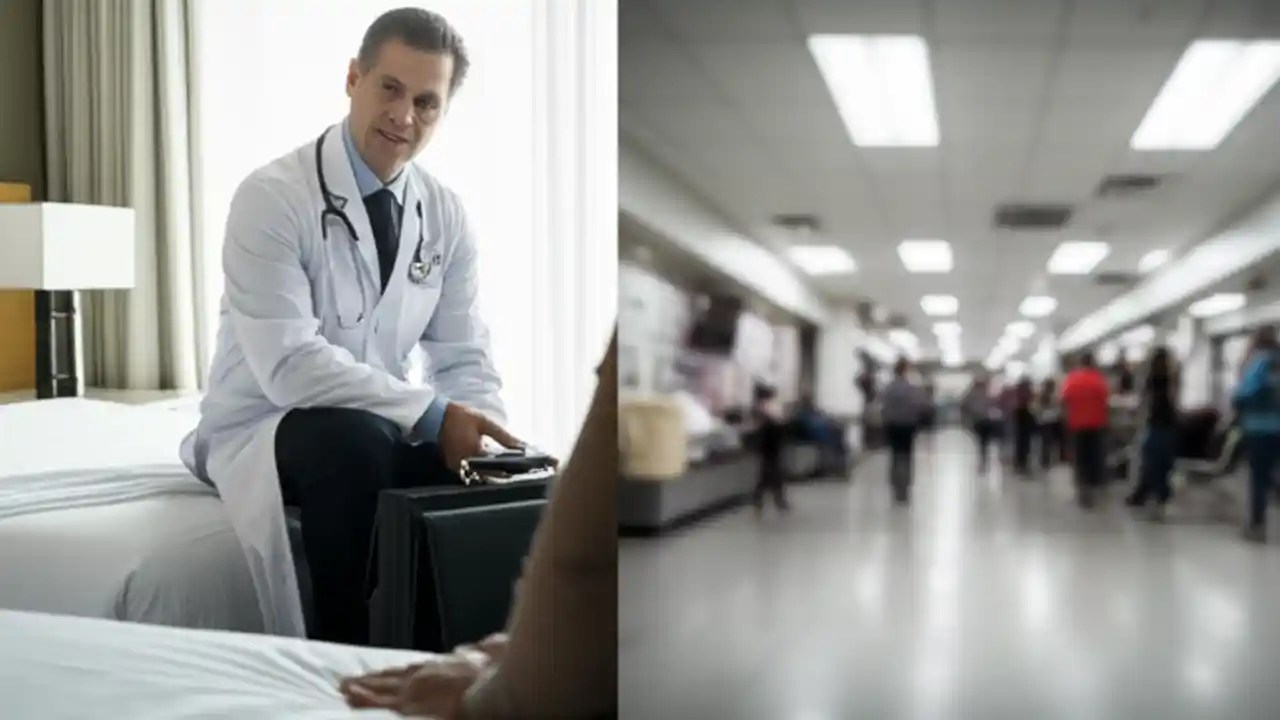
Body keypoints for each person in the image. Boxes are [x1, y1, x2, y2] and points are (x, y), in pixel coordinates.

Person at [179, 8, 524, 642]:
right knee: (357, 445)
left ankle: (468, 660)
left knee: (499, 471)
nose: (404, 116)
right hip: (263, 424)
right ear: (352, 78)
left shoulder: (444, 214)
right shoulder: (273, 196)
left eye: (427, 102)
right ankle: (347, 654)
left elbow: (463, 355)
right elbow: (288, 366)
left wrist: (480, 434)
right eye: (390, 89)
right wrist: (432, 416)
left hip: (376, 416)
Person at [340, 330, 617, 719]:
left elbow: (587, 565)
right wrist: (510, 655)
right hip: (280, 419)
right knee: (353, 443)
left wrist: (495, 695)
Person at [1233, 327, 1280, 543]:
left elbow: (1243, 395)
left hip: (1258, 428)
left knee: (1259, 478)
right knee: (1273, 475)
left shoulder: (1258, 363)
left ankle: (1257, 526)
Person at [1125, 347, 1180, 519]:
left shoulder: (1150, 379)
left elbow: (1143, 402)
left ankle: (1148, 494)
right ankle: (1159, 496)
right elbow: (1174, 400)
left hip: (1155, 424)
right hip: (1168, 425)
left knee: (1150, 461)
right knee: (1163, 464)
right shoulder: (1171, 378)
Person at [1061, 352, 1110, 509]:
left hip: (1076, 425)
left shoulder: (1071, 379)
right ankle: (1094, 488)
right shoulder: (1099, 379)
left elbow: (1064, 400)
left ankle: (1082, 489)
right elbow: (1105, 400)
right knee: (1094, 457)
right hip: (1096, 424)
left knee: (1080, 459)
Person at [881, 358, 928, 504]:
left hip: (892, 425)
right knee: (907, 456)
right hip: (908, 426)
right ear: (906, 370)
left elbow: (883, 408)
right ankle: (905, 488)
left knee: (895, 456)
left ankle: (896, 487)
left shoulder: (889, 388)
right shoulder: (911, 388)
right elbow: (920, 406)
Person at [751, 383, 791, 513]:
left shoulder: (760, 409)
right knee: (773, 473)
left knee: (768, 474)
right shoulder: (766, 409)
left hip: (768, 445)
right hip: (771, 445)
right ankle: (777, 500)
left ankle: (762, 499)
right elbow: (779, 423)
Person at [962, 374, 998, 473]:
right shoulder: (986, 394)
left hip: (979, 421)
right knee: (983, 442)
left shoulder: (971, 394)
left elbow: (964, 405)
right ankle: (984, 460)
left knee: (982, 442)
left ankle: (983, 461)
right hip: (983, 421)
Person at [1012, 377, 1036, 476]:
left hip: (1020, 420)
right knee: (1024, 443)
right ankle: (1022, 463)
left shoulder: (1017, 396)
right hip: (1025, 418)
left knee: (1020, 443)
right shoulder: (1027, 396)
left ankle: (1020, 463)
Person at [1037, 378, 1061, 470]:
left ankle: (1045, 461)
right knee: (1048, 442)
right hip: (1050, 420)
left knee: (1045, 442)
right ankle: (1047, 461)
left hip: (1044, 421)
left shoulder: (1042, 395)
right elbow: (1055, 407)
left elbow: (1038, 408)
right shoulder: (1051, 396)